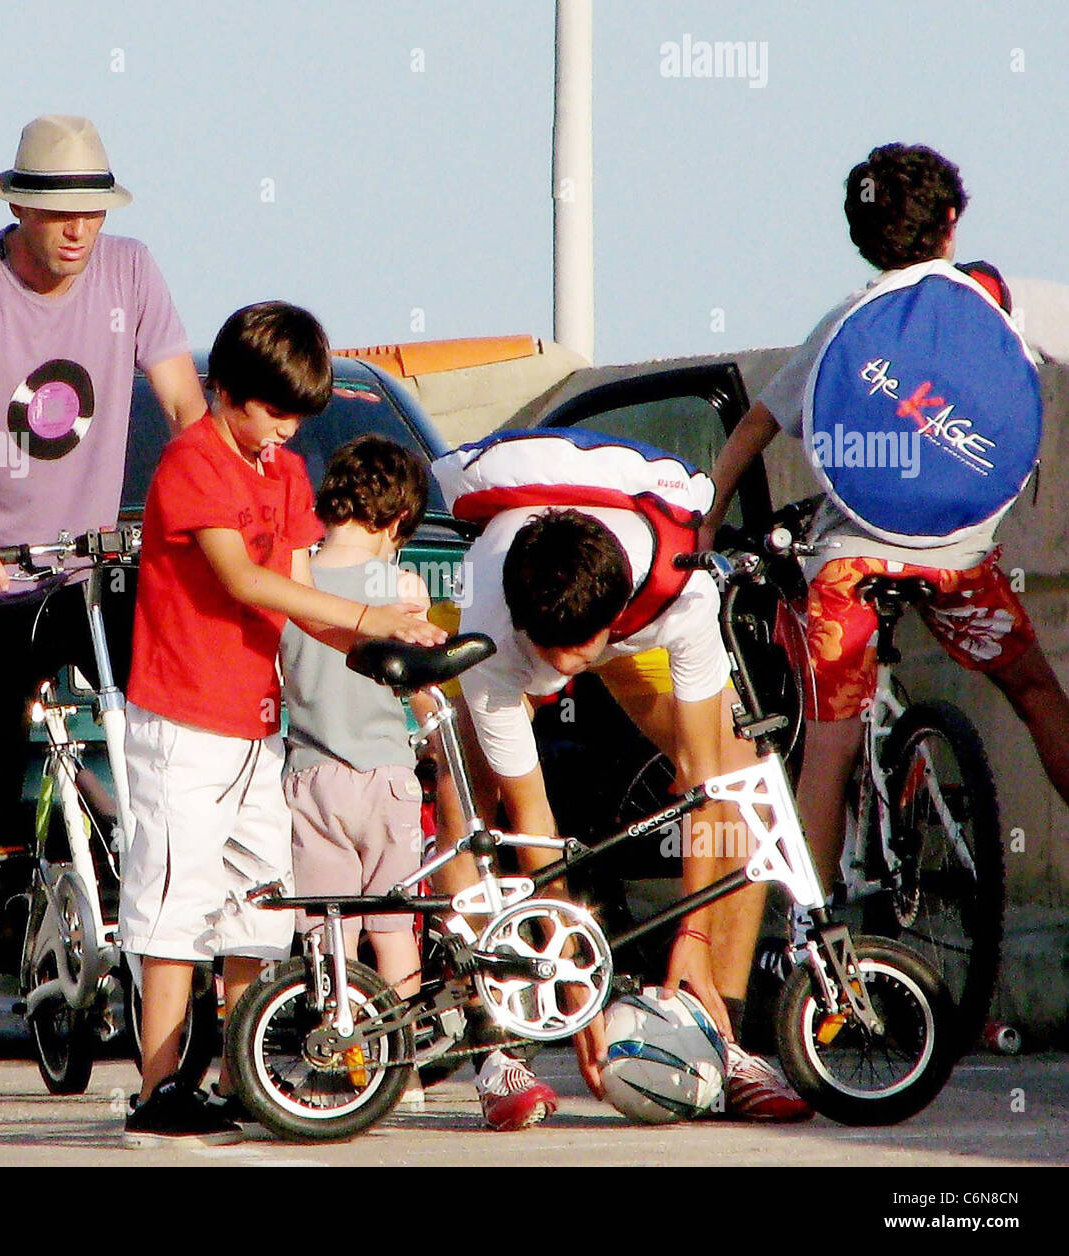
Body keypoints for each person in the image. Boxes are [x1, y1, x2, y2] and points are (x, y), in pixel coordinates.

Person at [0, 115, 206, 1104]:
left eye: (91, 212)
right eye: (57, 211)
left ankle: (183, 1025)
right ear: (16, 204)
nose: (76, 231)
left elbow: (186, 412)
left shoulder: (131, 274)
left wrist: (215, 528)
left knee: (179, 769)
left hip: (81, 573)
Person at [702, 142, 1069, 900]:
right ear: (950, 220)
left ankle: (816, 932)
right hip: (956, 557)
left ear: (862, 237)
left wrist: (703, 528)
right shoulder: (996, 297)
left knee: (830, 739)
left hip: (848, 562)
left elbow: (752, 430)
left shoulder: (845, 323)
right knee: (1036, 693)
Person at [120, 303, 445, 1146]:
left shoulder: (289, 472)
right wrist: (369, 617)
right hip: (183, 723)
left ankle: (236, 1076)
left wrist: (391, 645)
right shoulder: (193, 463)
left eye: (299, 416)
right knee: (174, 903)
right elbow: (245, 582)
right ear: (223, 390)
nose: (285, 431)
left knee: (259, 904)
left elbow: (305, 606)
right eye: (272, 412)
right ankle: (158, 1092)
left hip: (258, 730)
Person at [430, 430, 812, 1128]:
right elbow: (533, 818)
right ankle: (496, 1041)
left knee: (744, 775)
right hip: (520, 631)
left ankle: (719, 1028)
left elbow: (701, 779)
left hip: (641, 617)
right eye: (554, 658)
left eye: (580, 657)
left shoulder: (682, 592)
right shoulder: (493, 616)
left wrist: (689, 937)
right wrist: (573, 978)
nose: (566, 674)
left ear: (611, 624)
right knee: (464, 793)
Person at [278, 434, 433, 1109]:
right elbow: (420, 683)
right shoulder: (398, 586)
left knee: (327, 934)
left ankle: (340, 1061)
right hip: (389, 778)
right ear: (398, 523)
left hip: (311, 777)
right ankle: (407, 1070)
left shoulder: (296, 577)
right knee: (394, 926)